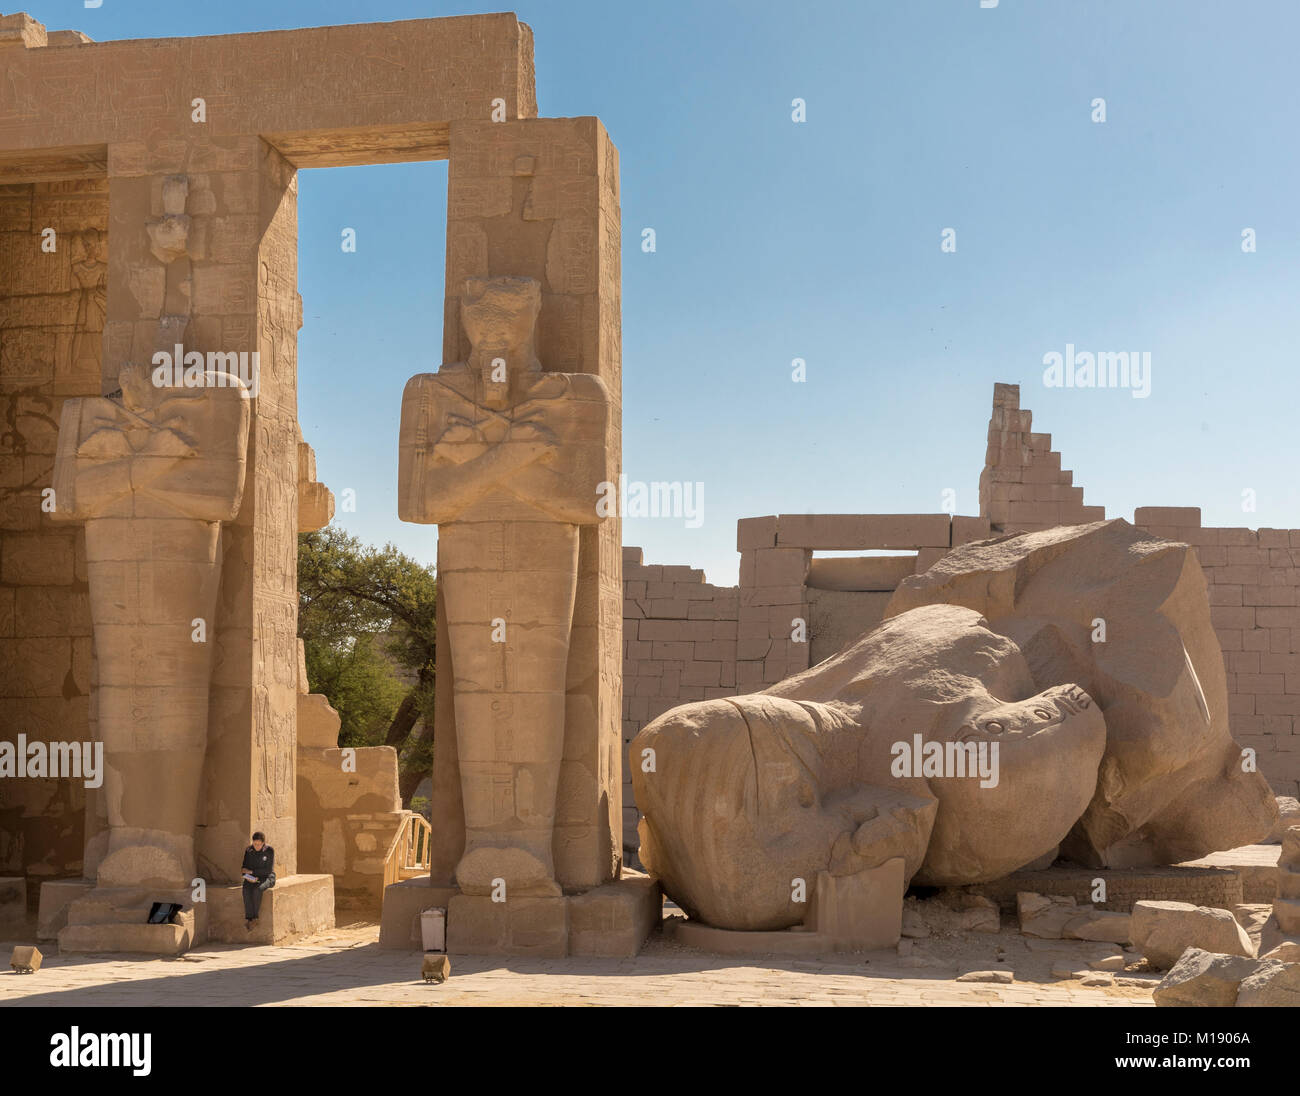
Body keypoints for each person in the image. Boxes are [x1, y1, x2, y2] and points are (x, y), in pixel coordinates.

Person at [240, 832, 276, 930]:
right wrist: (248, 876)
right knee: (245, 890)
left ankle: (255, 917)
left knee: (257, 890)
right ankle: (249, 918)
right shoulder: (249, 850)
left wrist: (251, 872)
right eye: (255, 844)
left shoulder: (269, 851)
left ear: (263, 843)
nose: (256, 846)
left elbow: (268, 870)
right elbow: (243, 869)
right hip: (252, 878)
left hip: (267, 877)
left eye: (259, 844)